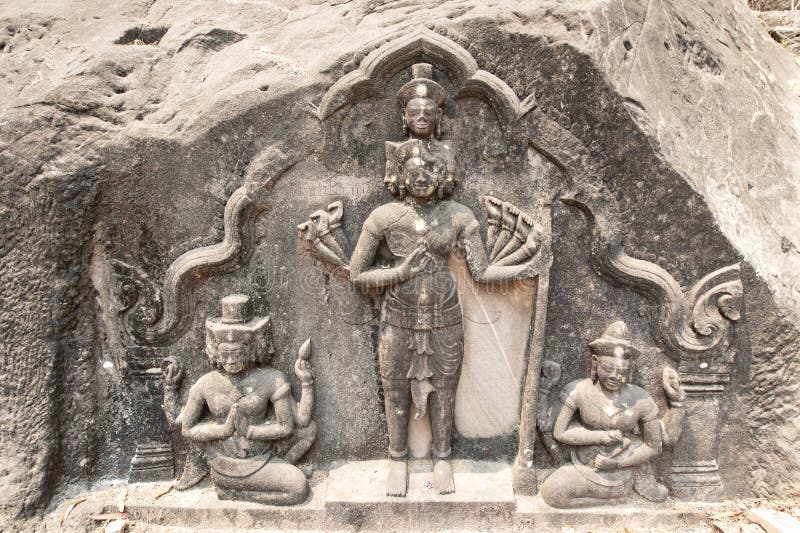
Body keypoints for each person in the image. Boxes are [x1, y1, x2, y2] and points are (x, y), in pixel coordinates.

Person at [349, 66, 537, 496]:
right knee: (395, 391)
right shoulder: (383, 217)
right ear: (397, 173)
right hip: (397, 316)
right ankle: (398, 459)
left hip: (446, 316)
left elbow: (484, 272)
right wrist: (398, 272)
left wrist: (527, 263)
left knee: (444, 393)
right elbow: (358, 274)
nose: (422, 175)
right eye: (414, 168)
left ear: (444, 175)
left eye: (431, 169)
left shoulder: (459, 216)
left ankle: (442, 458)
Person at [173, 294, 316, 505]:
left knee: (307, 434)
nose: (230, 361)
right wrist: (223, 430)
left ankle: (251, 484)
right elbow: (187, 428)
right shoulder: (206, 382)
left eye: (237, 353)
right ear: (215, 351)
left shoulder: (271, 378)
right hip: (225, 463)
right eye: (224, 354)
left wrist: (306, 382)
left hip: (262, 456)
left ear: (251, 349)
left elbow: (288, 427)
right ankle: (231, 490)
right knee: (298, 489)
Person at [540, 321, 684, 508]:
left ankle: (618, 496)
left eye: (622, 371)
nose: (615, 376)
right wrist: (602, 436)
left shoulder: (640, 399)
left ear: (631, 369)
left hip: (621, 471)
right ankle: (615, 501)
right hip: (584, 465)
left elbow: (654, 446)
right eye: (608, 369)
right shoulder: (578, 390)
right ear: (595, 363)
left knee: (555, 492)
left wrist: (677, 402)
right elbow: (559, 433)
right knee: (553, 493)